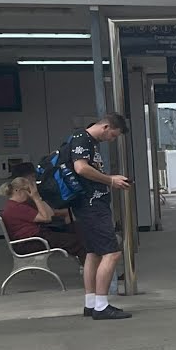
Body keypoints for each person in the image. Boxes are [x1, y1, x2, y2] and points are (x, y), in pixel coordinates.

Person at [66, 113, 133, 320]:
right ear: (106, 127)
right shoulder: (83, 139)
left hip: (88, 205)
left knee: (93, 253)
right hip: (92, 205)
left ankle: (91, 303)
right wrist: (110, 180)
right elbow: (81, 168)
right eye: (113, 135)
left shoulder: (87, 141)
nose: (112, 139)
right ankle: (102, 306)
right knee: (112, 253)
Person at [0, 176, 86, 263]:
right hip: (31, 242)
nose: (31, 193)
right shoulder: (17, 207)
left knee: (74, 232)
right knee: (78, 242)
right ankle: (90, 270)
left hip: (34, 237)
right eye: (29, 190)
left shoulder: (16, 205)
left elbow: (50, 214)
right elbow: (46, 218)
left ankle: (86, 264)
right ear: (18, 190)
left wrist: (39, 196)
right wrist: (36, 197)